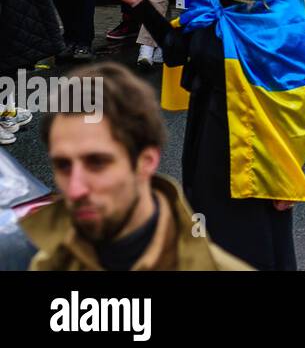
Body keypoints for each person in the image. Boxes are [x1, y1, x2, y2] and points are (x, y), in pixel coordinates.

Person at [110, 0, 305, 270]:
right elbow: (176, 51)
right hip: (208, 140)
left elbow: (294, 106)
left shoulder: (283, 10)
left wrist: (286, 176)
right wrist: (139, 1)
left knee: (257, 250)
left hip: (255, 155)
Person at [23, 63, 251, 271]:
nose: (75, 190)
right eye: (63, 165)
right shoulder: (47, 264)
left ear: (147, 161)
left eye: (97, 162)